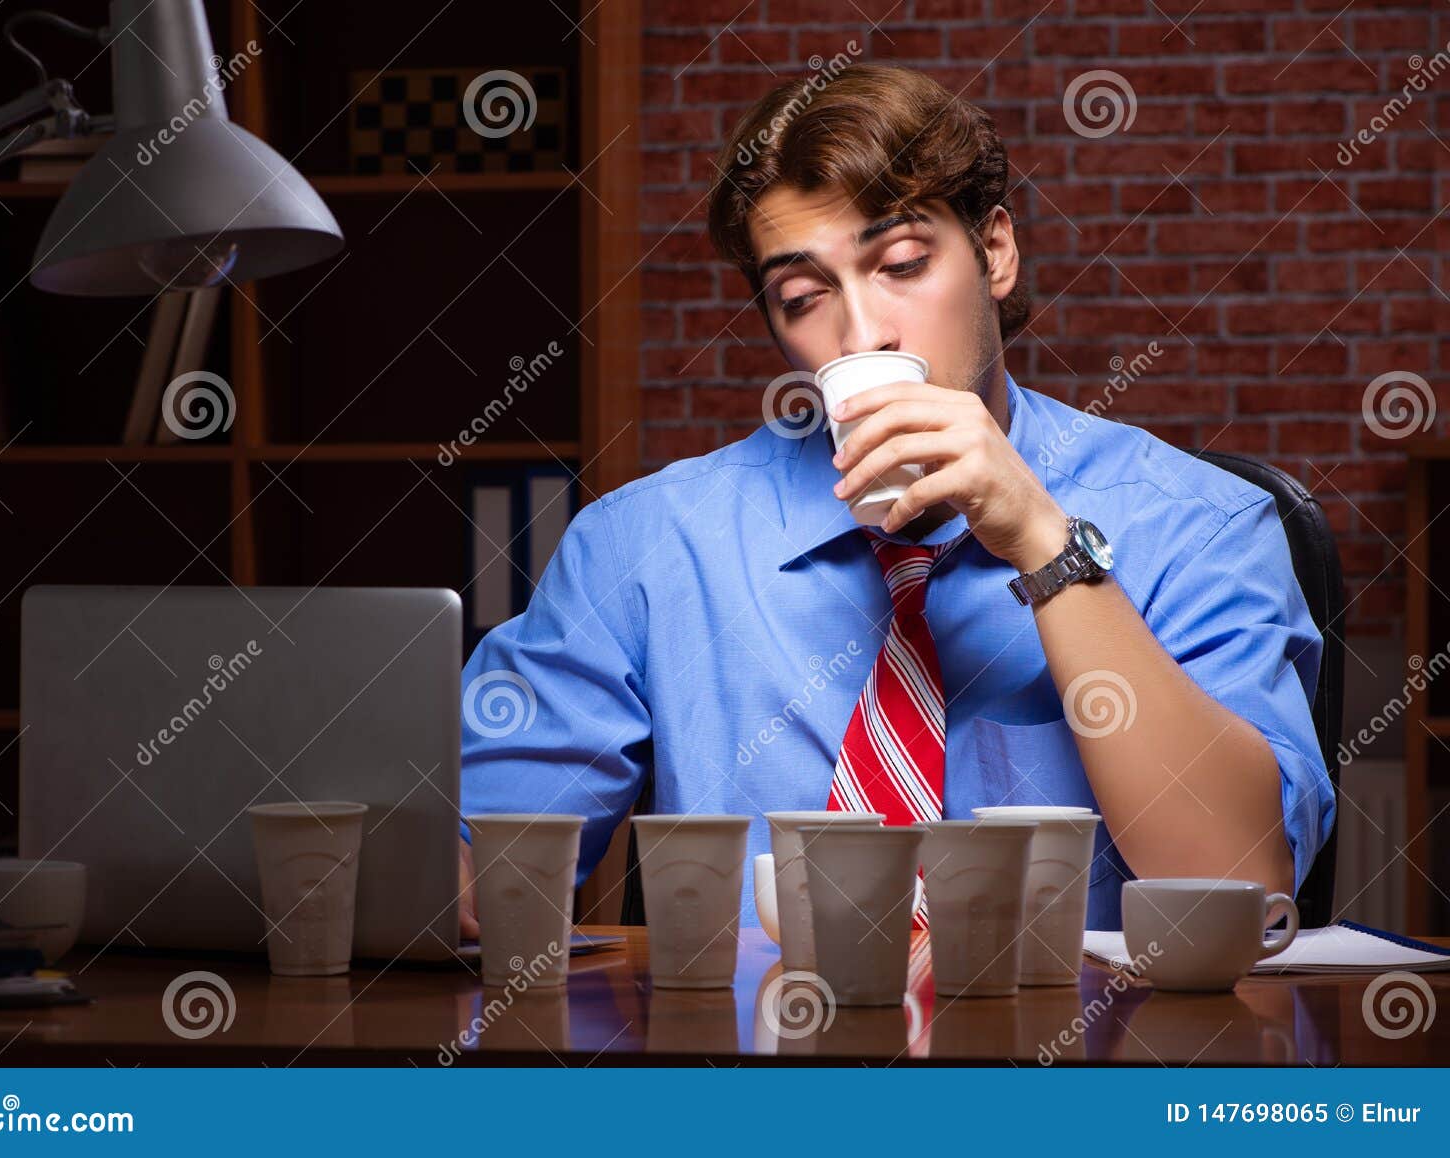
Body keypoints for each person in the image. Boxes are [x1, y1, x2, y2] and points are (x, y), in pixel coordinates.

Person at [457, 64, 1333, 936]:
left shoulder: (1199, 524)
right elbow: (465, 876)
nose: (863, 333)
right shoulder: (644, 546)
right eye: (803, 297)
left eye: (903, 264)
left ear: (994, 252)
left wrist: (1043, 542)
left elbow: (1240, 882)